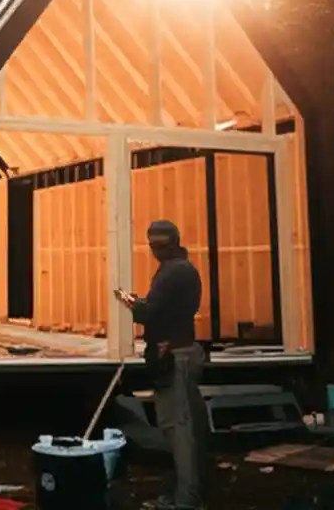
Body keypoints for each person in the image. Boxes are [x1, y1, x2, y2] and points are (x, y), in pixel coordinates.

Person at [116, 219, 209, 510]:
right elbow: (165, 309)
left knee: (180, 432)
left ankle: (186, 501)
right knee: (179, 429)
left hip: (175, 357)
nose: (154, 250)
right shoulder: (181, 269)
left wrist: (132, 304)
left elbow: (151, 313)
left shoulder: (172, 273)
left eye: (155, 245)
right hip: (178, 354)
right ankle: (182, 494)